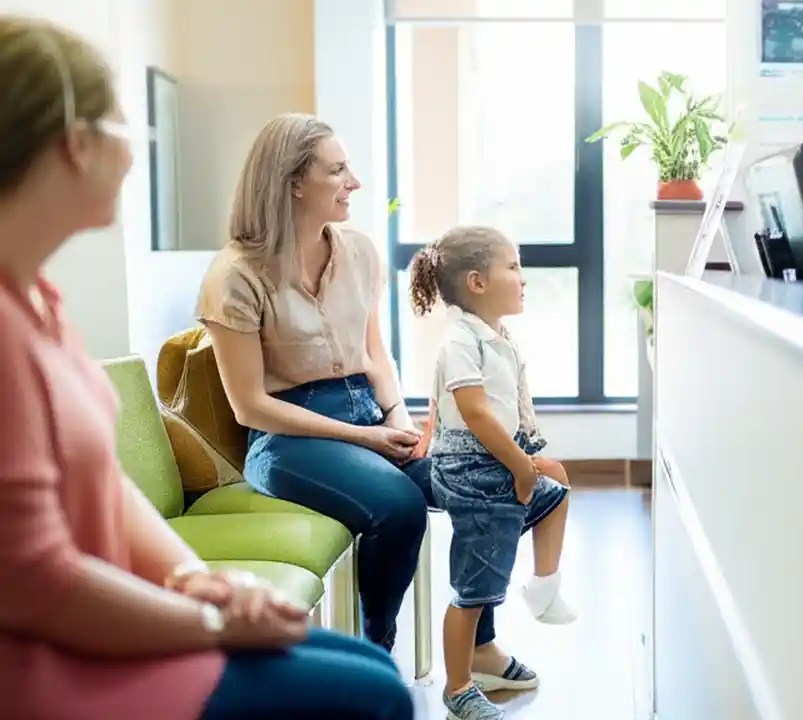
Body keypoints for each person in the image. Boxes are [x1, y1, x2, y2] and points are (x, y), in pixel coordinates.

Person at [0, 15, 411, 719]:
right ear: (74, 145)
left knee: (373, 669)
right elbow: (36, 584)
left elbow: (107, 487)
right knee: (375, 696)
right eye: (124, 129)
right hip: (59, 670)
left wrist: (199, 581)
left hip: (115, 626)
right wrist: (211, 622)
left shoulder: (40, 302)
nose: (135, 155)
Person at [196, 113, 530, 686]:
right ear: (293, 182)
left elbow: (375, 354)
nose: (354, 182)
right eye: (338, 170)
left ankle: (479, 645)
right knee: (399, 505)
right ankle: (376, 656)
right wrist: (364, 436)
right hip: (288, 439)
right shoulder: (234, 275)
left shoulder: (359, 253)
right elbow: (249, 405)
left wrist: (398, 417)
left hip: (371, 416)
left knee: (483, 480)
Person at [409, 227, 575, 720]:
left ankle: (544, 587)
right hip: (472, 470)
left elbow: (447, 406)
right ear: (477, 282)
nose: (523, 279)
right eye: (514, 267)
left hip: (490, 457)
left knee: (556, 486)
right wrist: (521, 466)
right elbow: (475, 412)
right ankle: (458, 688)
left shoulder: (495, 335)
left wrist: (527, 459)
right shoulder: (461, 339)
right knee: (473, 591)